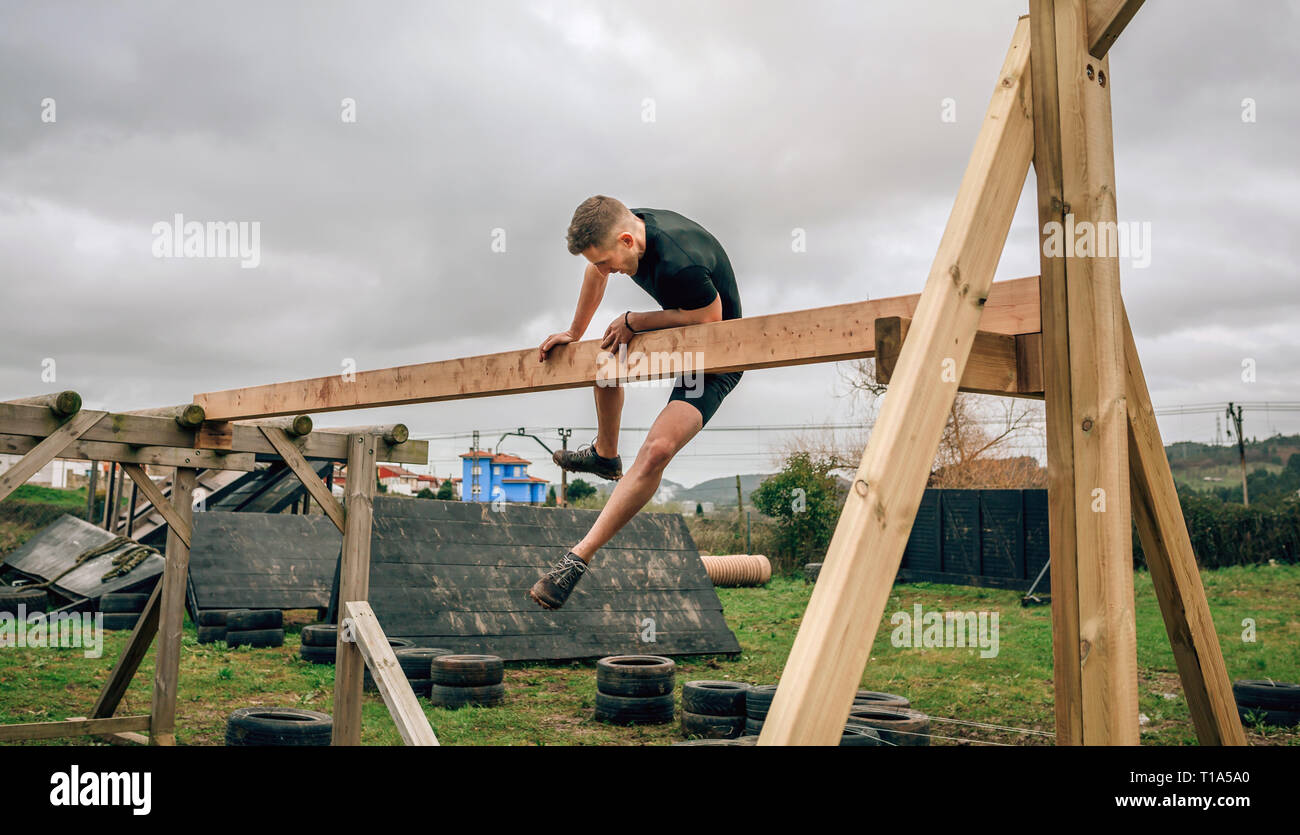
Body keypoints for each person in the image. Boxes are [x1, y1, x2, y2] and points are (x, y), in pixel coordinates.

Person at [528, 195, 743, 610]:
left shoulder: (681, 261)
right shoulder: (626, 235)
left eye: (609, 262)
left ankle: (576, 559)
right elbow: (596, 271)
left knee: (657, 450)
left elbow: (711, 321)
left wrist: (636, 320)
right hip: (681, 339)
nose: (607, 271)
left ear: (627, 240)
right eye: (599, 264)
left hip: (717, 357)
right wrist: (574, 331)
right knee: (605, 353)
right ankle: (605, 454)